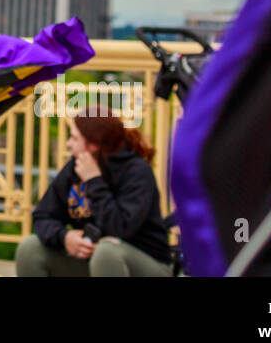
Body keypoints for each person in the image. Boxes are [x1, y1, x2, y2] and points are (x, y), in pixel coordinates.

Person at [16, 115, 173, 276]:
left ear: (94, 145)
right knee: (30, 248)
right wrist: (65, 237)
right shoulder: (75, 168)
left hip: (147, 265)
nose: (69, 144)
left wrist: (94, 181)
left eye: (74, 138)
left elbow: (119, 229)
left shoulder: (137, 172)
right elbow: (42, 216)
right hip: (95, 261)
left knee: (107, 253)